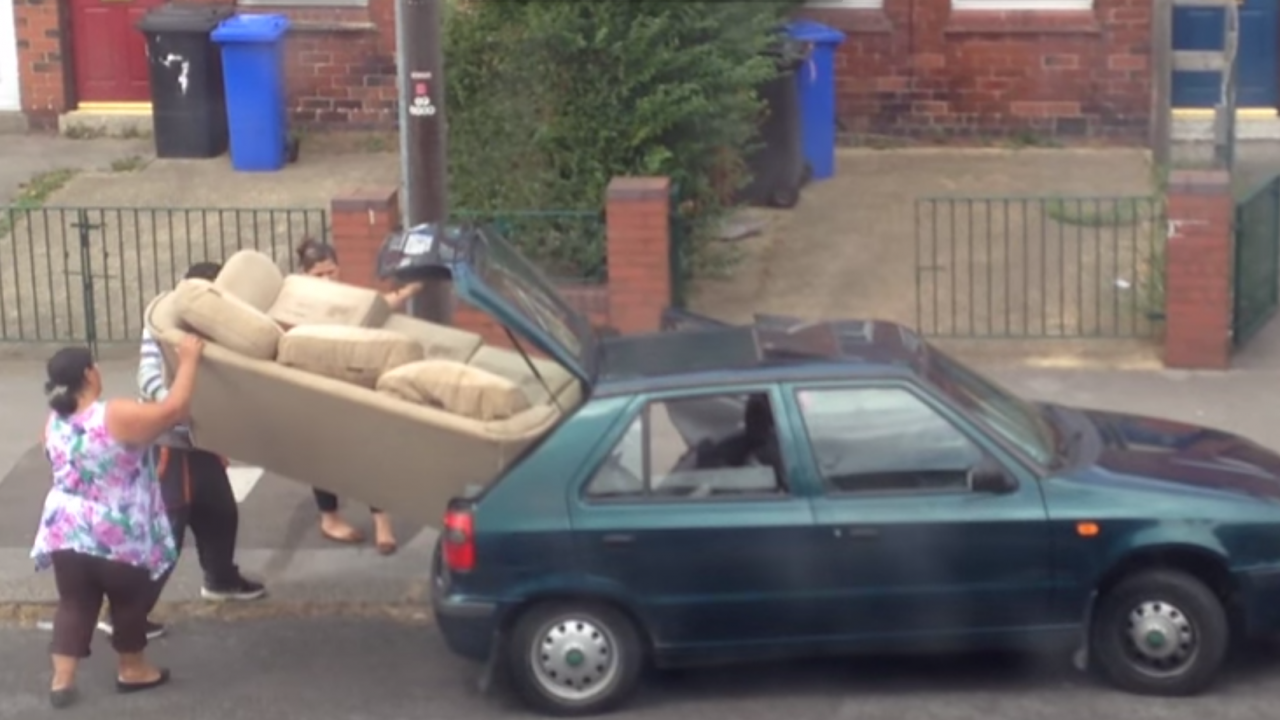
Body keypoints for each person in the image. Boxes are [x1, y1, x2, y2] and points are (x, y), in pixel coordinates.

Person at [32, 336, 201, 708]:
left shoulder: (53, 422)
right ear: (90, 374)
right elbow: (174, 408)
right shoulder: (115, 416)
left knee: (74, 602)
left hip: (67, 529)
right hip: (118, 531)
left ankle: (63, 679)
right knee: (128, 601)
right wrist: (189, 360)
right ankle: (133, 668)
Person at [117, 261, 267, 642]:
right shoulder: (163, 325)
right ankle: (127, 613)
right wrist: (176, 404)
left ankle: (220, 579)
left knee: (220, 512)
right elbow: (148, 376)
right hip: (168, 442)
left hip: (203, 439)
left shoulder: (221, 327)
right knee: (167, 531)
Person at [296, 238, 422, 554]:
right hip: (317, 388)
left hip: (353, 383)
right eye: (318, 274)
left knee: (370, 452)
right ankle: (330, 518)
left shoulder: (348, 298)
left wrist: (408, 291)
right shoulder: (296, 303)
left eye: (331, 271)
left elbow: (375, 307)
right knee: (320, 455)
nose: (327, 280)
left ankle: (383, 522)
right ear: (304, 274)